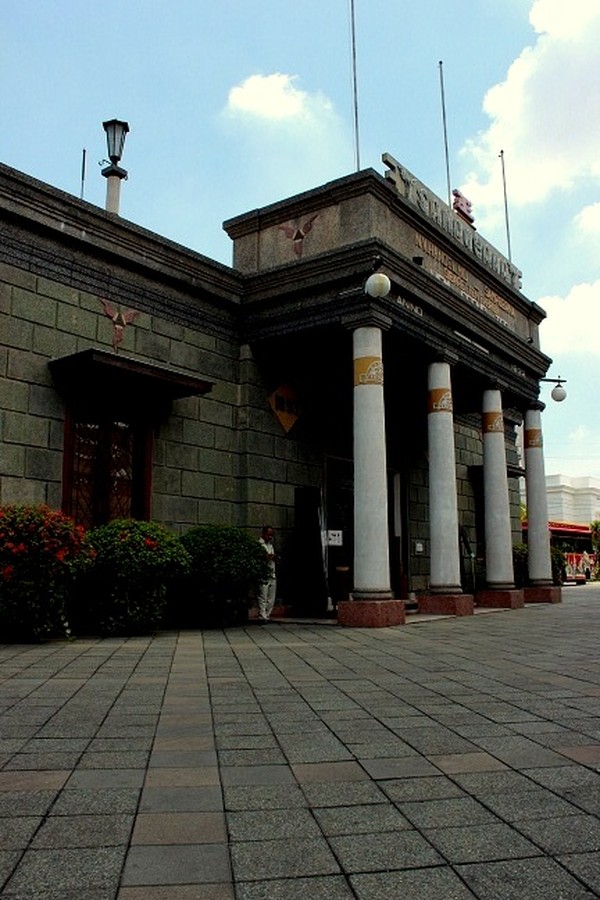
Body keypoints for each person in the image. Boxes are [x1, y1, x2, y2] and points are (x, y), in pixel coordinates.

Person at [258, 525, 277, 622]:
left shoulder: (270, 545)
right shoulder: (259, 545)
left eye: (271, 535)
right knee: (263, 595)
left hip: (272, 572)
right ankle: (262, 614)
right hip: (264, 573)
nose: (270, 537)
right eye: (269, 535)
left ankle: (268, 614)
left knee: (271, 597)